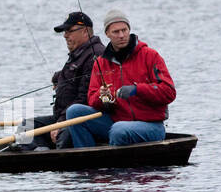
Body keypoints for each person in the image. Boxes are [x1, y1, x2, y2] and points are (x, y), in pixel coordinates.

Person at [64, 9, 175, 147]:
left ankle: (114, 164)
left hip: (151, 126)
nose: (121, 35)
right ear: (107, 34)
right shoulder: (100, 62)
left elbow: (169, 92)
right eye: (116, 32)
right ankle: (87, 161)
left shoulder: (150, 56)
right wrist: (102, 96)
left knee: (119, 130)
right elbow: (92, 98)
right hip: (115, 121)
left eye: (124, 30)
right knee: (74, 112)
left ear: (129, 30)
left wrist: (137, 89)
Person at [17, 11, 106, 150]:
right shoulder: (79, 53)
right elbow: (73, 74)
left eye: (69, 31)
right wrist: (58, 77)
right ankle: (32, 156)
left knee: (64, 135)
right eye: (65, 32)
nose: (65, 35)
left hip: (82, 121)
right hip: (62, 117)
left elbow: (84, 98)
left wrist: (61, 123)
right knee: (26, 126)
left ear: (85, 32)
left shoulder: (96, 55)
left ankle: (55, 164)